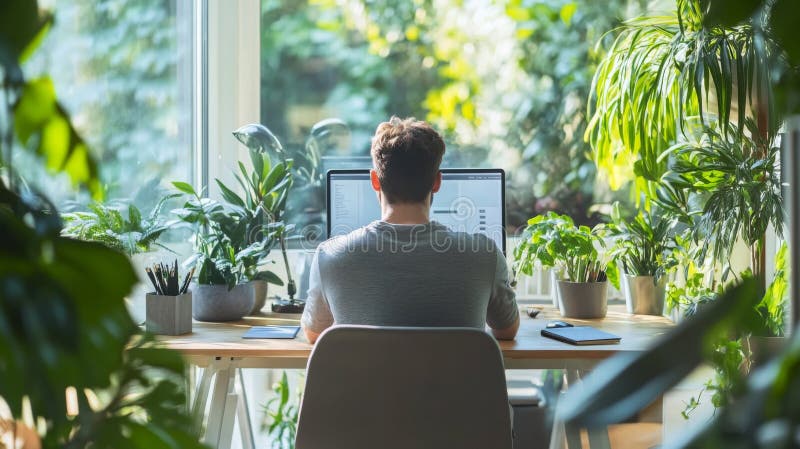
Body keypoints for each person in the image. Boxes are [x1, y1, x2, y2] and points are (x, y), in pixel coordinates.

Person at [301, 116, 519, 344]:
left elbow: (315, 334)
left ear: (375, 180)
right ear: (437, 182)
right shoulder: (484, 255)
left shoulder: (330, 257)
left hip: (370, 381)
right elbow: (507, 330)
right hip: (453, 381)